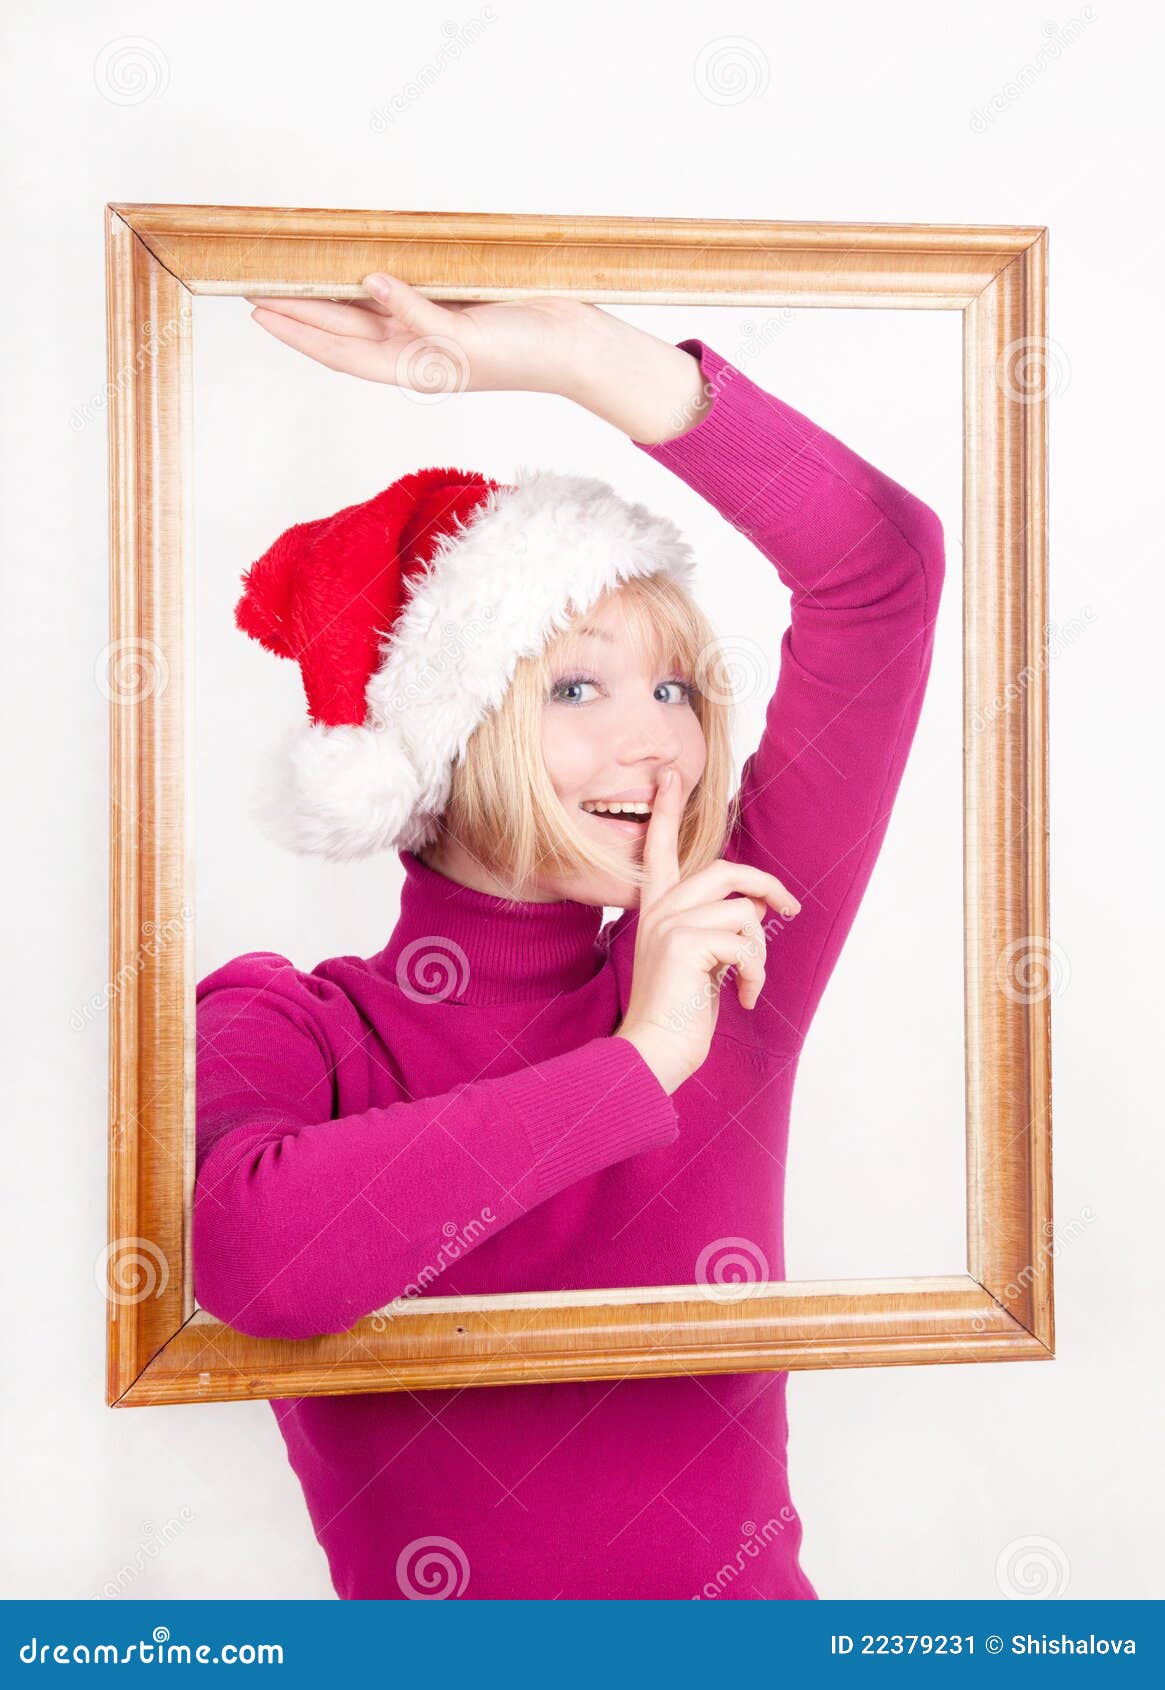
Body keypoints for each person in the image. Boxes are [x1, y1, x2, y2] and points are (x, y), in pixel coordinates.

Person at [193, 276, 945, 1600]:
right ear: (447, 724)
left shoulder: (722, 951)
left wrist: (591, 359)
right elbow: (258, 1259)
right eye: (579, 686)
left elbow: (882, 570)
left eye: (674, 688)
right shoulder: (286, 1023)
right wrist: (638, 1060)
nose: (657, 737)